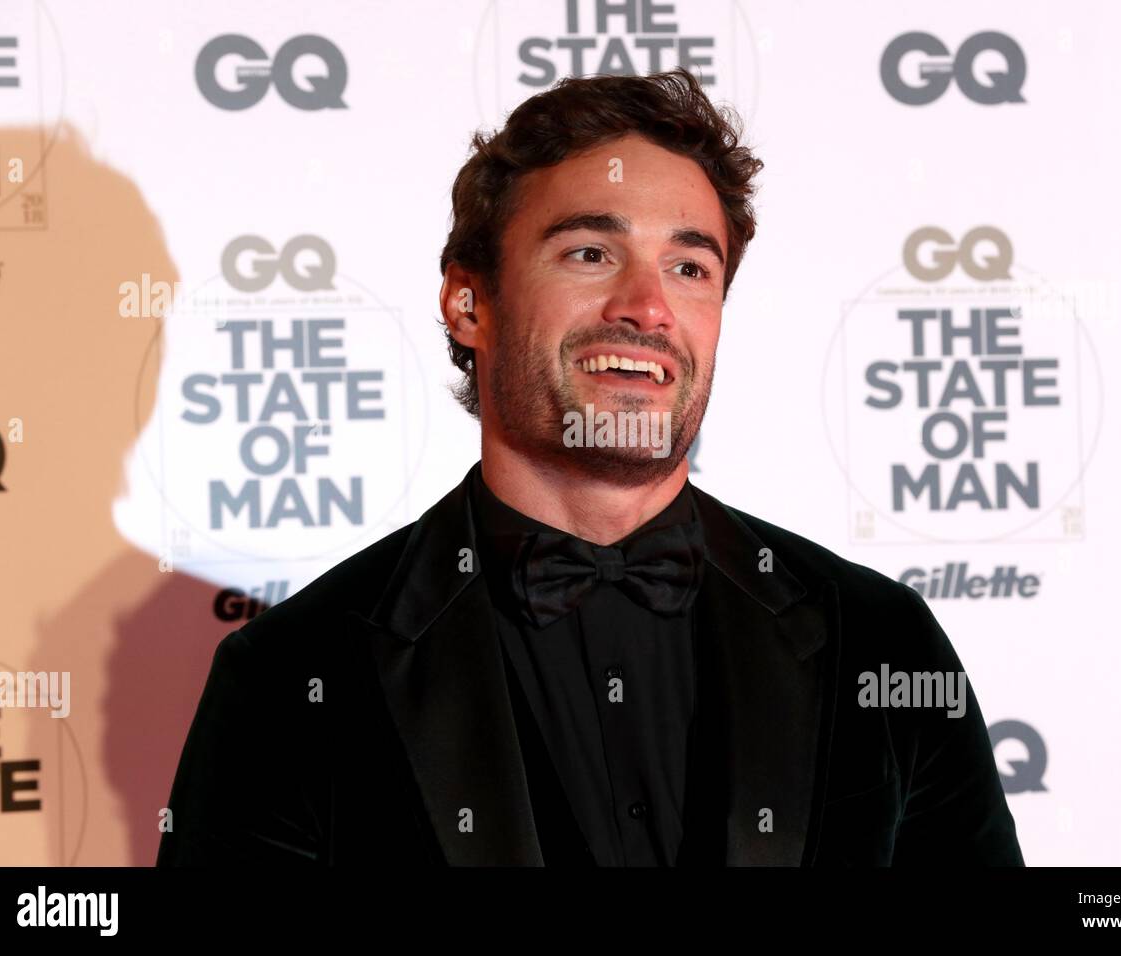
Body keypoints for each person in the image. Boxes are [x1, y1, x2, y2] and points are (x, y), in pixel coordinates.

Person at [157, 67, 1024, 867]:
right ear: (470, 302)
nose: (647, 307)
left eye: (689, 267)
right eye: (590, 253)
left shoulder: (880, 638)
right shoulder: (290, 677)